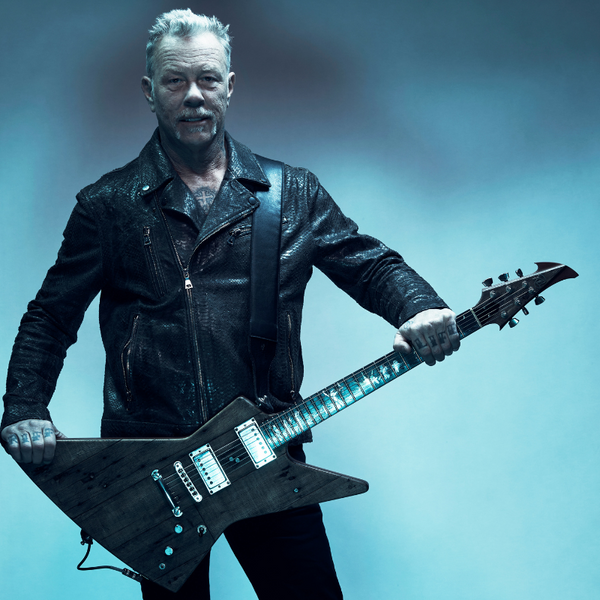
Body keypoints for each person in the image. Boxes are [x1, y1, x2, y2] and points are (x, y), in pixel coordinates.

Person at [1, 9, 460, 599]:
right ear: (149, 91)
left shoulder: (292, 193)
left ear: (230, 86)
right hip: (155, 471)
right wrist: (24, 406)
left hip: (266, 450)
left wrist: (418, 307)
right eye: (175, 81)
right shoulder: (107, 205)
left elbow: (368, 264)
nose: (193, 95)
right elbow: (50, 315)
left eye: (207, 79)